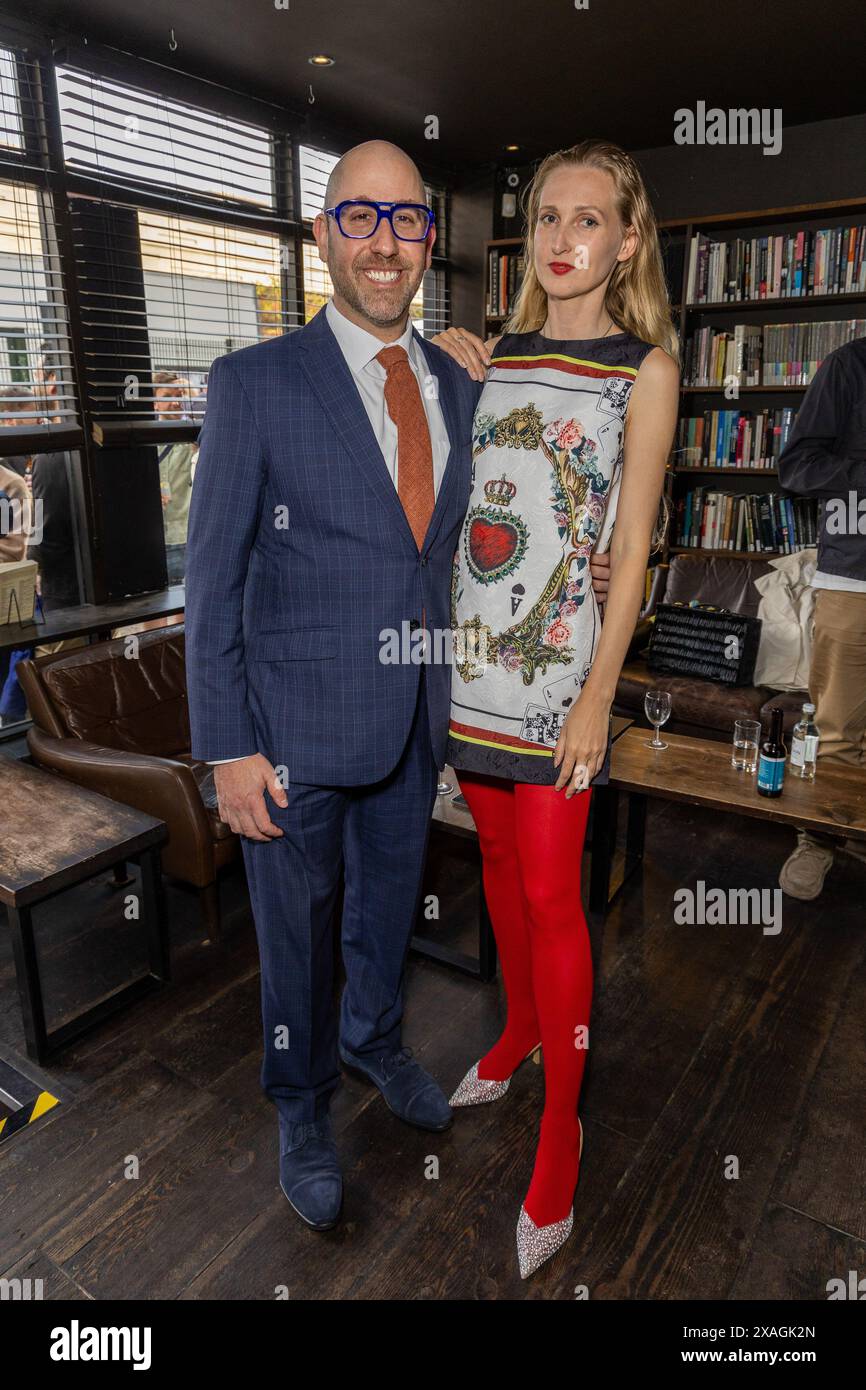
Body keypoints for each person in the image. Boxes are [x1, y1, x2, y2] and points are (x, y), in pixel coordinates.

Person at [184, 141, 483, 1233]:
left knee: (387, 913)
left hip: (412, 723)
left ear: (427, 241)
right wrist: (227, 749)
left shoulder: (460, 380)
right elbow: (212, 584)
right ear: (323, 236)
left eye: (405, 220)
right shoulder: (254, 383)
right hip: (291, 740)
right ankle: (301, 1103)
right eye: (359, 216)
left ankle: (373, 1041)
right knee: (296, 944)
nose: (383, 241)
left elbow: (472, 542)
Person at [432, 139, 679, 1277]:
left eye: (589, 220)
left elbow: (633, 549)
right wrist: (446, 361)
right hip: (468, 667)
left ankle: (561, 1130)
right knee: (490, 863)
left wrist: (597, 697)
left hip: (557, 684)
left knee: (550, 894)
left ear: (626, 242)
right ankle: (520, 1029)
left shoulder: (645, 370)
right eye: (547, 218)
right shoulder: (492, 357)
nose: (563, 239)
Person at [776, 335, 866, 898]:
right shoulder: (850, 366)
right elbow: (797, 467)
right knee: (836, 729)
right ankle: (818, 838)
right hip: (855, 580)